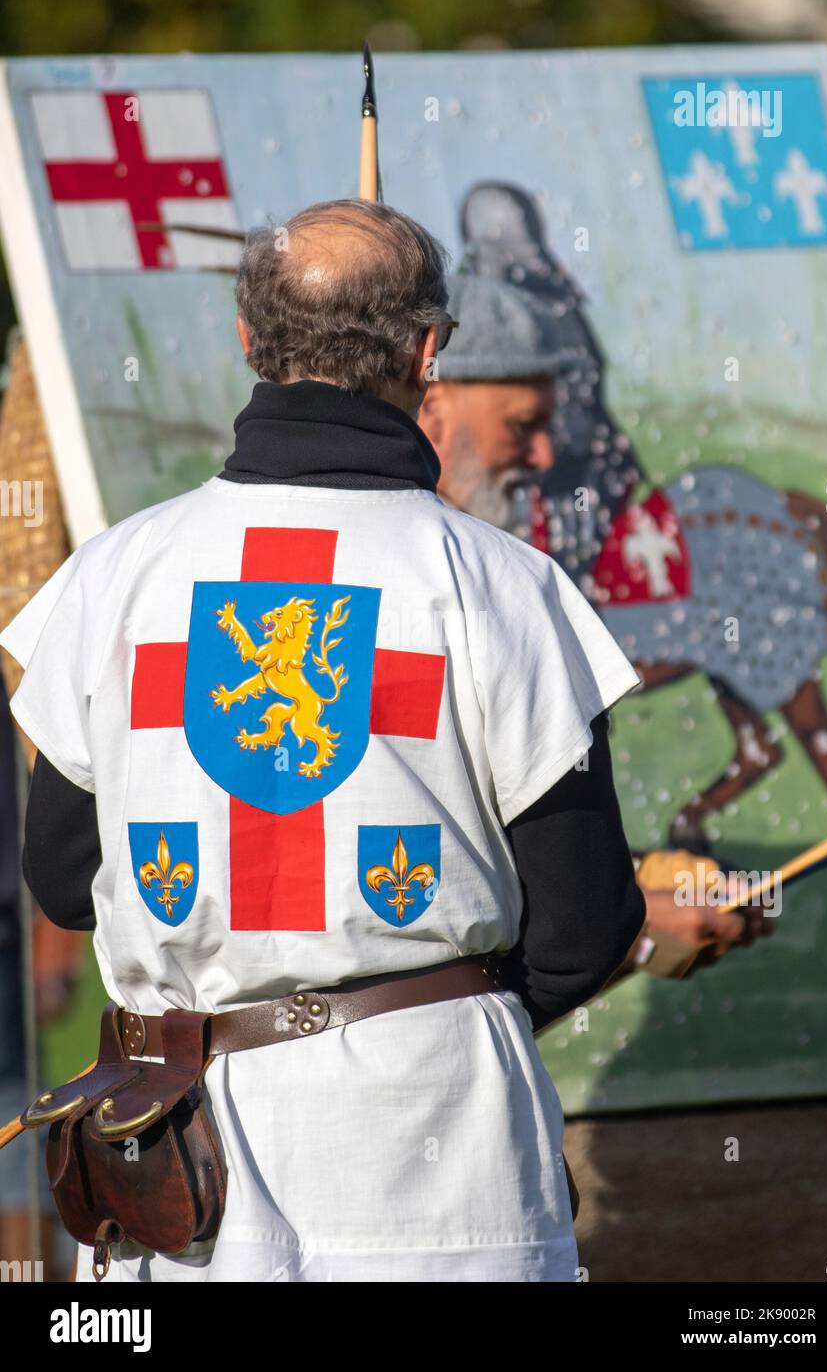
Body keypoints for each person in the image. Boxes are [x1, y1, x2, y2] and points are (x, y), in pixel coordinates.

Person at [1, 199, 645, 1284]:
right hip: (440, 1151)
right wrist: (422, 1013)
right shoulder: (502, 587)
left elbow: (65, 879)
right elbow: (585, 923)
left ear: (248, 341)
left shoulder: (113, 578)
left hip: (184, 1156)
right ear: (428, 351)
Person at [419, 272, 773, 976]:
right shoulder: (385, 595)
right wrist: (636, 930)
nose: (545, 457)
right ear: (430, 409)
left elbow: (504, 839)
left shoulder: (501, 579)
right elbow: (412, 878)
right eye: (522, 425)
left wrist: (646, 881)